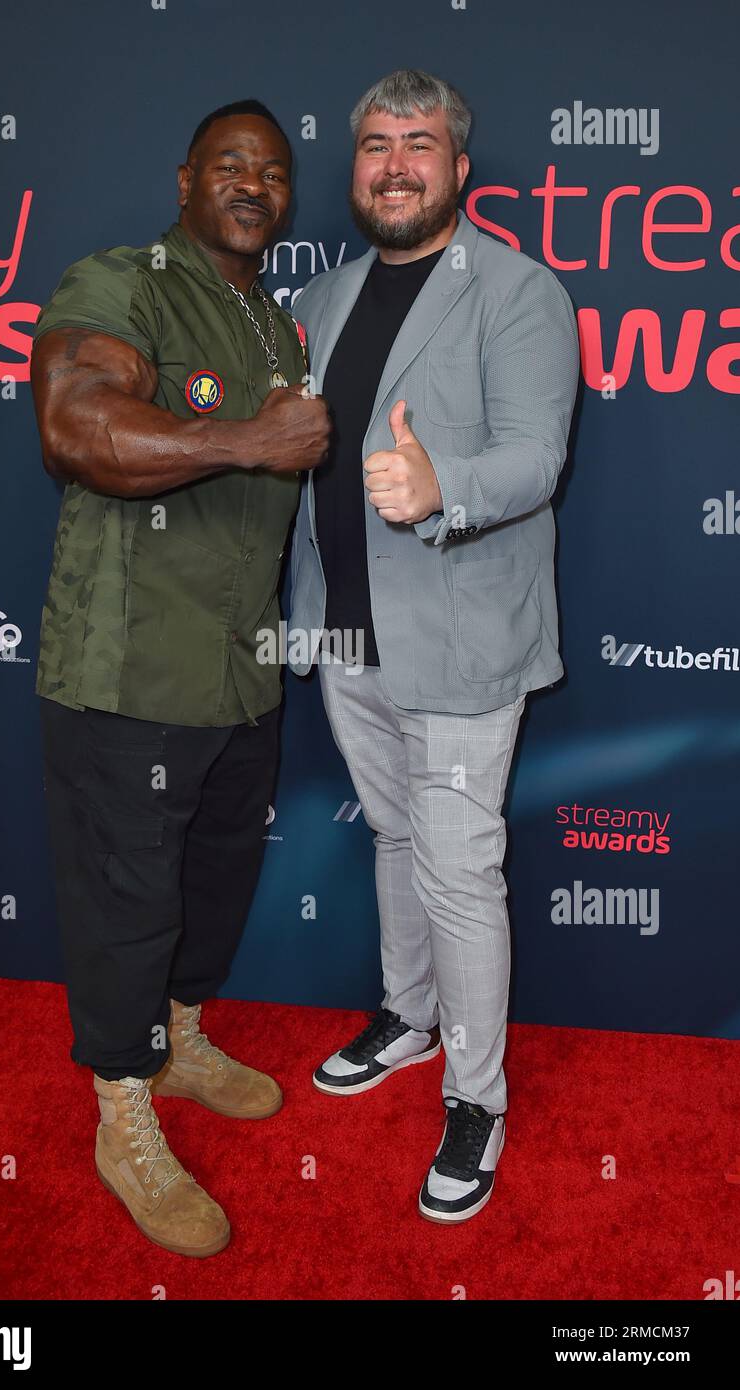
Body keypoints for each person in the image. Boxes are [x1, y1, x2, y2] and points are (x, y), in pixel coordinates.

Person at [30, 99, 330, 1257]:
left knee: (211, 886)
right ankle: (122, 1113)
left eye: (273, 171)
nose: (252, 184)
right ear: (184, 180)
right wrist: (248, 439)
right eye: (229, 165)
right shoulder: (124, 281)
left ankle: (179, 1042)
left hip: (241, 674)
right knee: (127, 907)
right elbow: (74, 426)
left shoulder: (276, 327)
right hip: (127, 671)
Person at [289, 69, 579, 1223]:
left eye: (418, 142)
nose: (394, 163)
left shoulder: (517, 290)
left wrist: (437, 485)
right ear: (354, 167)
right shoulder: (322, 296)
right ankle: (408, 1017)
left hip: (460, 634)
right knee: (395, 835)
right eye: (375, 144)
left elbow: (533, 457)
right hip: (344, 624)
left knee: (457, 871)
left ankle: (475, 1097)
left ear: (457, 166)